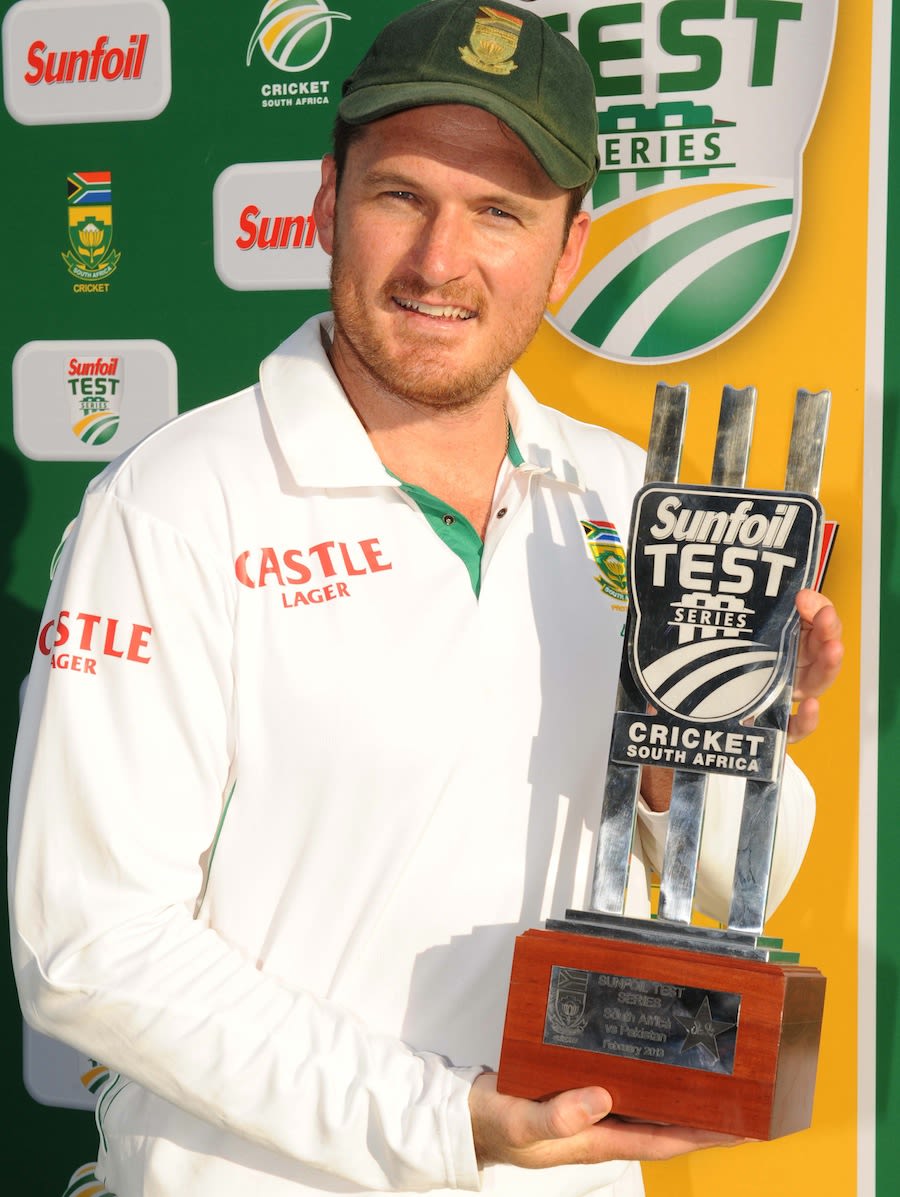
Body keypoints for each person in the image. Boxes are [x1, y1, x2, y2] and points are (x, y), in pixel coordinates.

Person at [8, 2, 843, 1195]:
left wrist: (705, 747)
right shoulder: (178, 501)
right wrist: (446, 1119)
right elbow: (90, 946)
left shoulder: (621, 494)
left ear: (567, 252)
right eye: (403, 194)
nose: (440, 262)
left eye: (499, 211)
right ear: (326, 204)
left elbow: (727, 885)